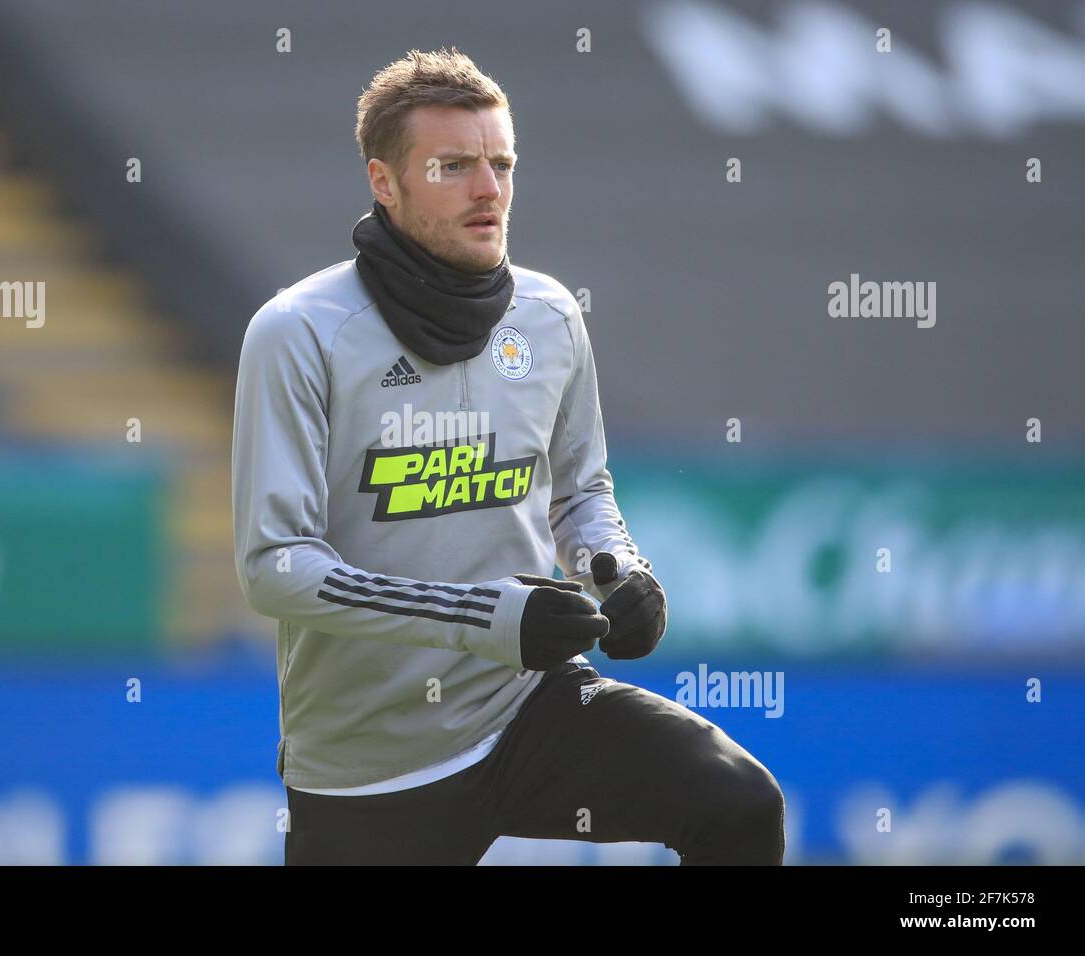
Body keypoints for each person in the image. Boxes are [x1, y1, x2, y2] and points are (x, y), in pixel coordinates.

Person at [231, 46, 784, 865]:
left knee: (738, 804)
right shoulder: (297, 331)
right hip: (368, 765)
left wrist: (617, 570)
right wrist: (487, 618)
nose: (489, 190)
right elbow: (274, 566)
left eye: (501, 163)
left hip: (528, 705)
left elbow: (578, 493)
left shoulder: (551, 314)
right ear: (385, 182)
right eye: (453, 166)